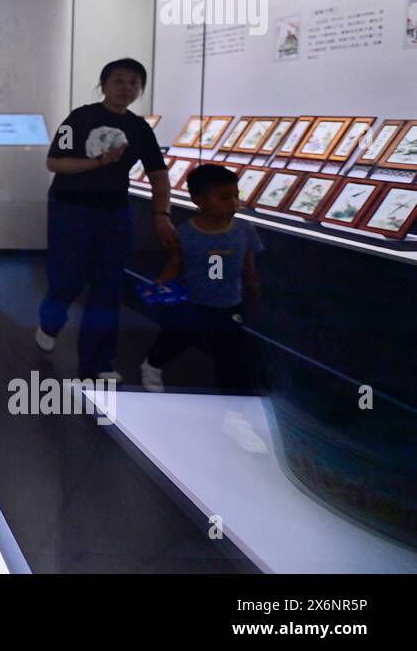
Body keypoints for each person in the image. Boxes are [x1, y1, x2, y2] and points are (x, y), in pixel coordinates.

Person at [38, 58, 176, 380]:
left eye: (133, 82)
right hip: (70, 208)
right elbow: (55, 163)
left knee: (108, 287)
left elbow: (159, 175)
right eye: (118, 80)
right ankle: (50, 322)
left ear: (140, 89)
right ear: (104, 85)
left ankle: (97, 363)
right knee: (66, 279)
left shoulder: (140, 128)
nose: (125, 87)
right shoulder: (80, 117)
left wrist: (162, 214)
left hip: (114, 212)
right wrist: (100, 162)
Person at [140, 163, 267, 452]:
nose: (233, 203)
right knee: (176, 339)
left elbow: (249, 267)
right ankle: (153, 363)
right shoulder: (185, 234)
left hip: (229, 307)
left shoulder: (245, 230)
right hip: (194, 305)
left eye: (236, 196)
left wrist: (252, 295)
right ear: (199, 200)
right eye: (224, 197)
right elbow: (175, 264)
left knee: (232, 361)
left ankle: (235, 418)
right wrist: (160, 288)